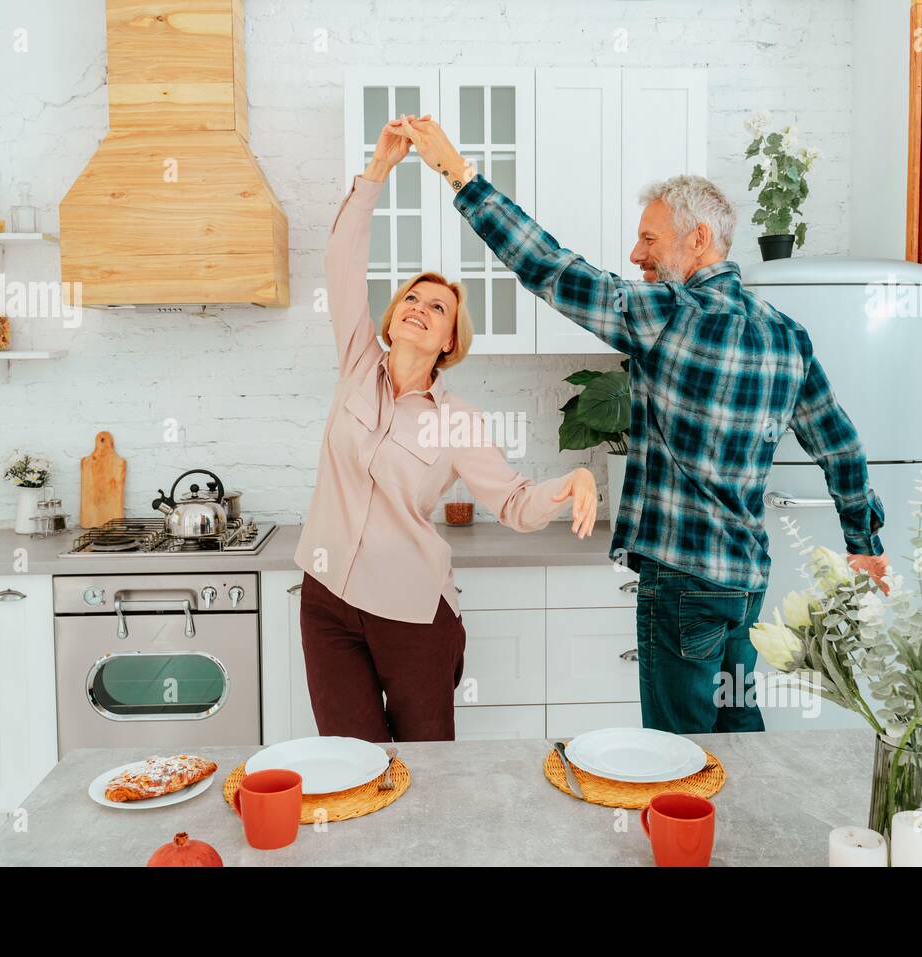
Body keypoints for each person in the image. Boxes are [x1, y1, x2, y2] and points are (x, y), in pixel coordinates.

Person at [399, 115, 889, 735]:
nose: (636, 256)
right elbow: (841, 446)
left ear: (699, 239)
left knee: (680, 755)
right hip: (743, 587)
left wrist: (460, 174)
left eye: (650, 240)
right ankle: (751, 833)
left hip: (682, 585)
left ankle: (694, 831)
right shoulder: (788, 336)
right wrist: (864, 545)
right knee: (740, 744)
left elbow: (549, 268)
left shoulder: (666, 315)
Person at [295, 118, 598, 743]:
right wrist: (376, 172)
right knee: (354, 764)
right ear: (392, 313)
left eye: (438, 308)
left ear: (449, 341)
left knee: (427, 775)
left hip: (412, 614)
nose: (420, 308)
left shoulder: (457, 421)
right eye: (412, 297)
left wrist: (570, 480)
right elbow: (341, 262)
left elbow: (513, 502)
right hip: (326, 601)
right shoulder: (357, 368)